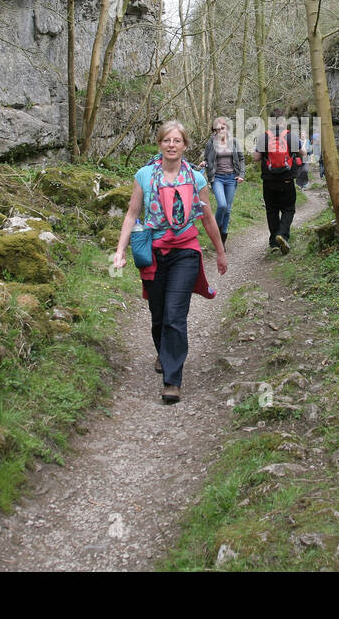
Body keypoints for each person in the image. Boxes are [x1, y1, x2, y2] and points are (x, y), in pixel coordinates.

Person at [113, 120, 228, 404]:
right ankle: (164, 352)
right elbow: (132, 214)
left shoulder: (196, 179)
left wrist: (220, 251)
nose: (172, 145)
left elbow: (208, 218)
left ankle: (172, 381)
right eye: (167, 140)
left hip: (186, 251)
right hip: (153, 252)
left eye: (177, 141)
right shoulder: (144, 176)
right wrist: (120, 251)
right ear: (160, 144)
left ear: (185, 146)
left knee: (175, 315)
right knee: (159, 315)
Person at [253, 109, 302, 255]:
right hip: (286, 180)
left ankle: (274, 242)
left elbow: (255, 157)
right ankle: (282, 234)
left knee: (271, 210)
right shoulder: (290, 136)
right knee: (289, 209)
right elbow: (303, 153)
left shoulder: (264, 137)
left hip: (268, 181)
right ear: (283, 121)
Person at [197, 115, 244, 247]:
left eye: (222, 128)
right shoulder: (211, 143)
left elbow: (241, 159)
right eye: (216, 129)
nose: (219, 131)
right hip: (217, 178)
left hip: (231, 178)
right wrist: (204, 163)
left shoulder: (234, 141)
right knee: (222, 205)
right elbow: (207, 159)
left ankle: (222, 239)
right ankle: (215, 231)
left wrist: (242, 174)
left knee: (227, 210)